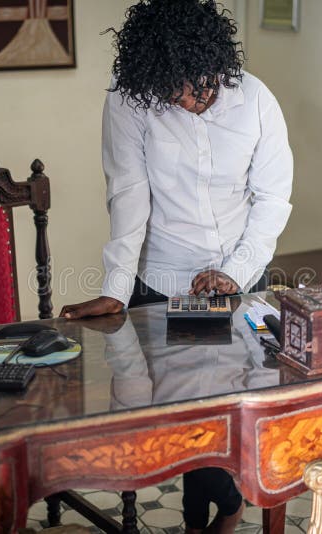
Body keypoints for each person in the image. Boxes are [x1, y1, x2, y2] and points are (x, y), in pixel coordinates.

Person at [60, 1, 293, 532]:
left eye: (201, 85)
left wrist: (234, 272)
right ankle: (220, 512)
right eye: (175, 91)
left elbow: (272, 199)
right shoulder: (129, 103)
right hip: (165, 281)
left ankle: (218, 513)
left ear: (216, 60)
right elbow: (128, 193)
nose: (191, 99)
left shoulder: (255, 100)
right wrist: (116, 289)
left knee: (223, 410)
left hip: (238, 278)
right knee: (179, 417)